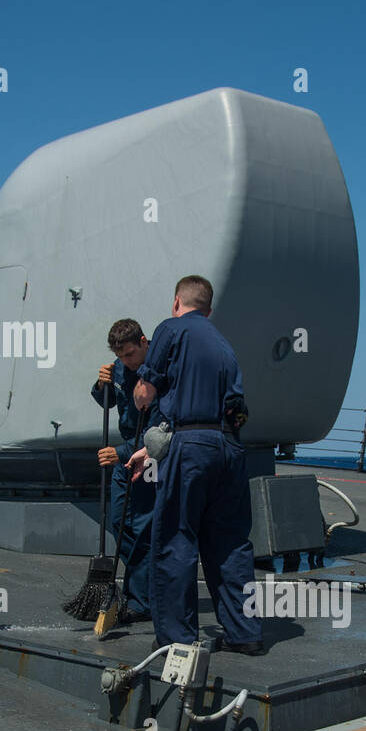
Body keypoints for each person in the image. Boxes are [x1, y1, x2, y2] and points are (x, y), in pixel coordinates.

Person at [126, 276, 263, 655]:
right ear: (209, 309)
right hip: (230, 450)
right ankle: (244, 633)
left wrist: (139, 390)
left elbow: (146, 394)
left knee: (175, 537)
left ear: (176, 303)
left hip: (189, 450)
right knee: (231, 544)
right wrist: (149, 450)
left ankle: (176, 637)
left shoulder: (171, 330)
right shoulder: (224, 345)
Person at [91, 319, 163, 624]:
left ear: (144, 342)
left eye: (130, 355)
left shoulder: (159, 372)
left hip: (148, 458)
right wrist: (101, 384)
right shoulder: (119, 369)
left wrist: (120, 452)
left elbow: (157, 427)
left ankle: (140, 600)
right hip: (124, 459)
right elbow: (104, 402)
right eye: (120, 357)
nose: (126, 362)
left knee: (142, 527)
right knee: (120, 521)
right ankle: (146, 581)